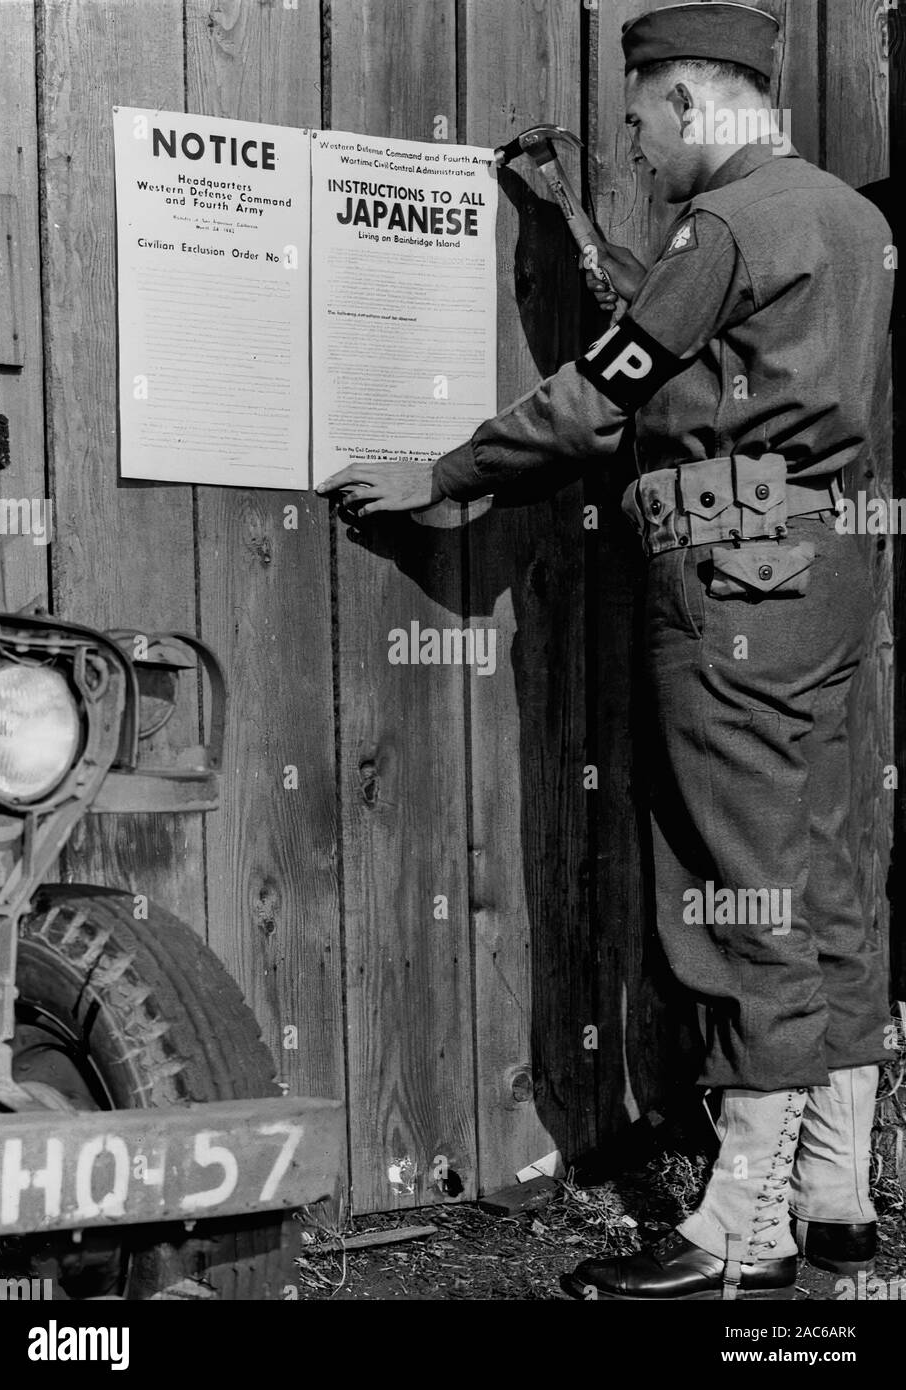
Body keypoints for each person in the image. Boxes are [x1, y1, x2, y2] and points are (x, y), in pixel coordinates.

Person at [317, 2, 894, 1301]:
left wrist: (445, 472)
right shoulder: (854, 223)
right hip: (837, 582)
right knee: (835, 881)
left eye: (641, 118)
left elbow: (602, 392)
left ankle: (744, 1232)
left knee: (732, 886)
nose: (636, 147)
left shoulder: (727, 225)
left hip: (729, 579)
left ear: (695, 99)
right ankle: (838, 1194)